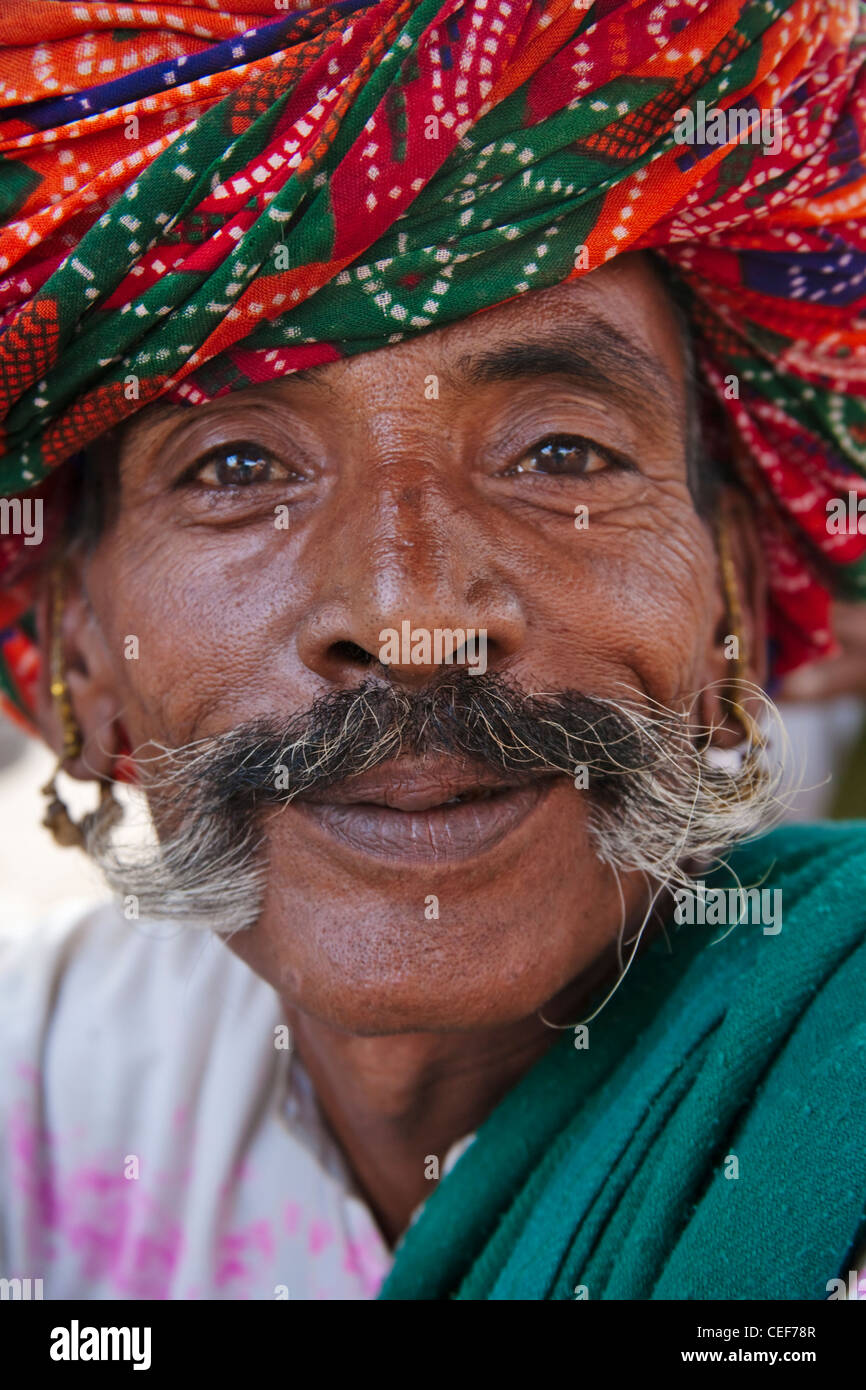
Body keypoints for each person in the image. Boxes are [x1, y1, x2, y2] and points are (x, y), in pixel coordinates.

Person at [0, 0, 864, 1302]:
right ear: (78, 650)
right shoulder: (42, 1100)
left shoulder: (829, 1051)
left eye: (560, 454)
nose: (411, 614)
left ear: (730, 587)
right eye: (238, 465)